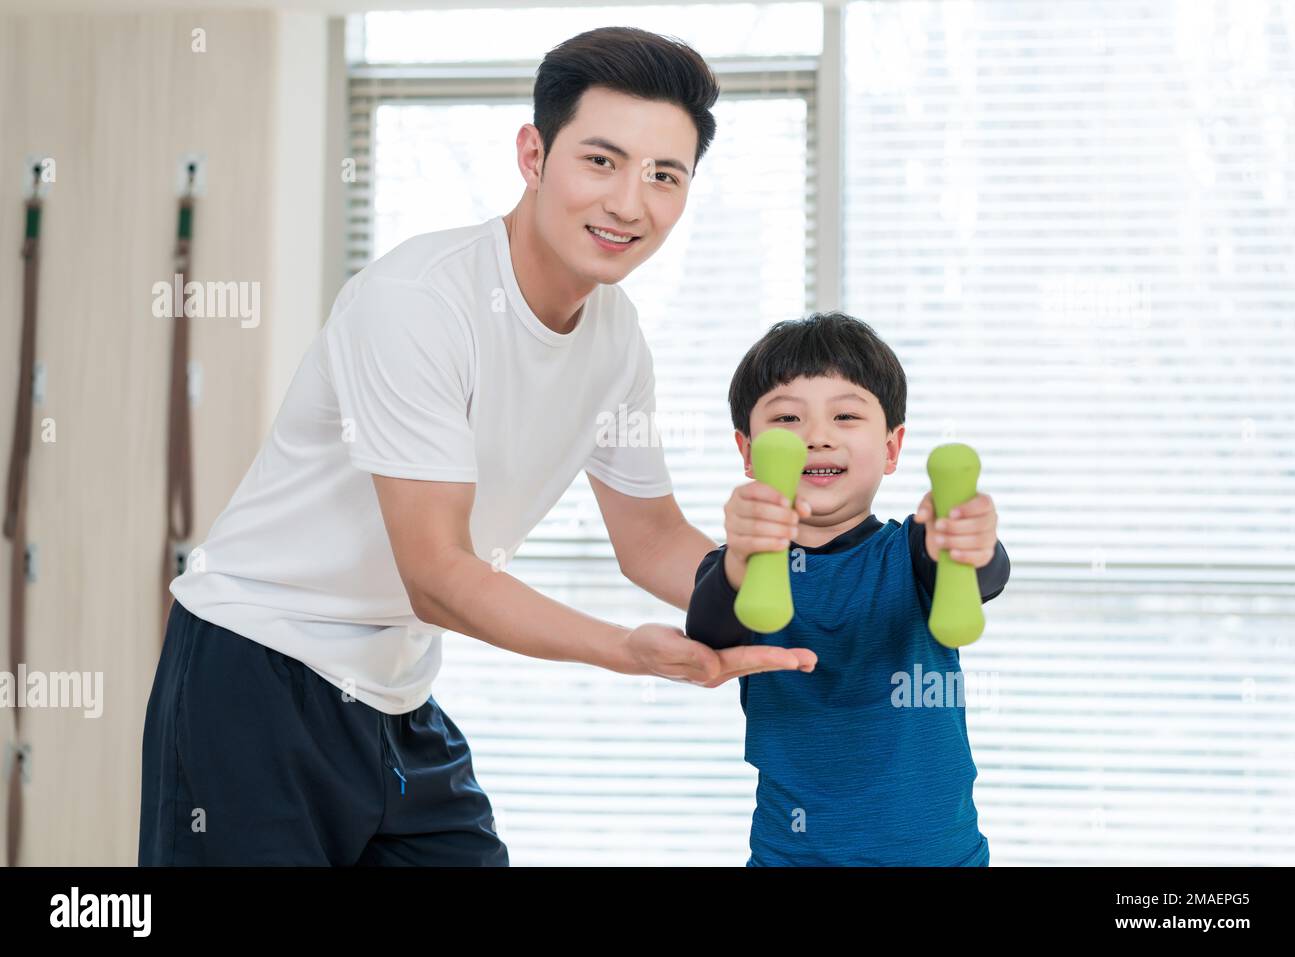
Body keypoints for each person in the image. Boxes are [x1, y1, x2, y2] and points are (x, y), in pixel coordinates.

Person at [139, 26, 817, 867]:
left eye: (663, 175)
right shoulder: (419, 301)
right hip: (253, 673)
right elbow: (437, 575)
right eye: (601, 161)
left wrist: (822, 598)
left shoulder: (616, 338)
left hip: (396, 689)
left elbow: (651, 539)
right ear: (533, 154)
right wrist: (624, 649)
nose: (629, 203)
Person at [684, 311, 1011, 866]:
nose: (817, 436)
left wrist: (966, 542)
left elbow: (980, 578)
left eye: (846, 416)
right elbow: (709, 633)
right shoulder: (734, 567)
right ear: (748, 452)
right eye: (787, 417)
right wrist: (742, 555)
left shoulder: (915, 549)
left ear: (891, 448)